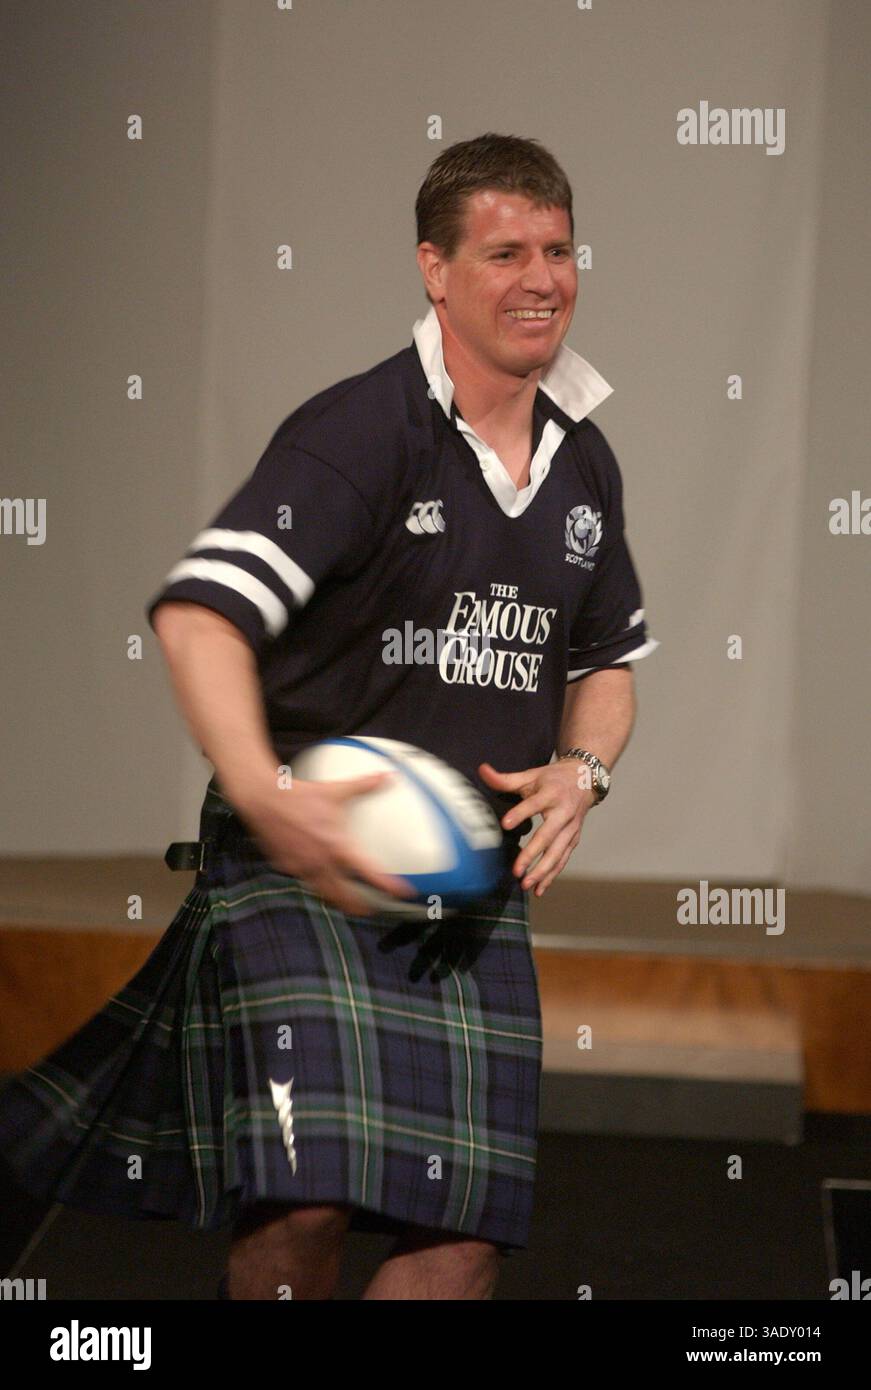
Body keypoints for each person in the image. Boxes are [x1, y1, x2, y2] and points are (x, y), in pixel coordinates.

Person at [0, 132, 657, 1300]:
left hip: (468, 888)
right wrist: (264, 794)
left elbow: (607, 665)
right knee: (305, 1194)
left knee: (458, 1233)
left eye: (558, 248)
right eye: (504, 251)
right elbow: (201, 617)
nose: (541, 277)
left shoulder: (583, 464)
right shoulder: (359, 433)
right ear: (433, 269)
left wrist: (580, 771)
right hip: (300, 866)